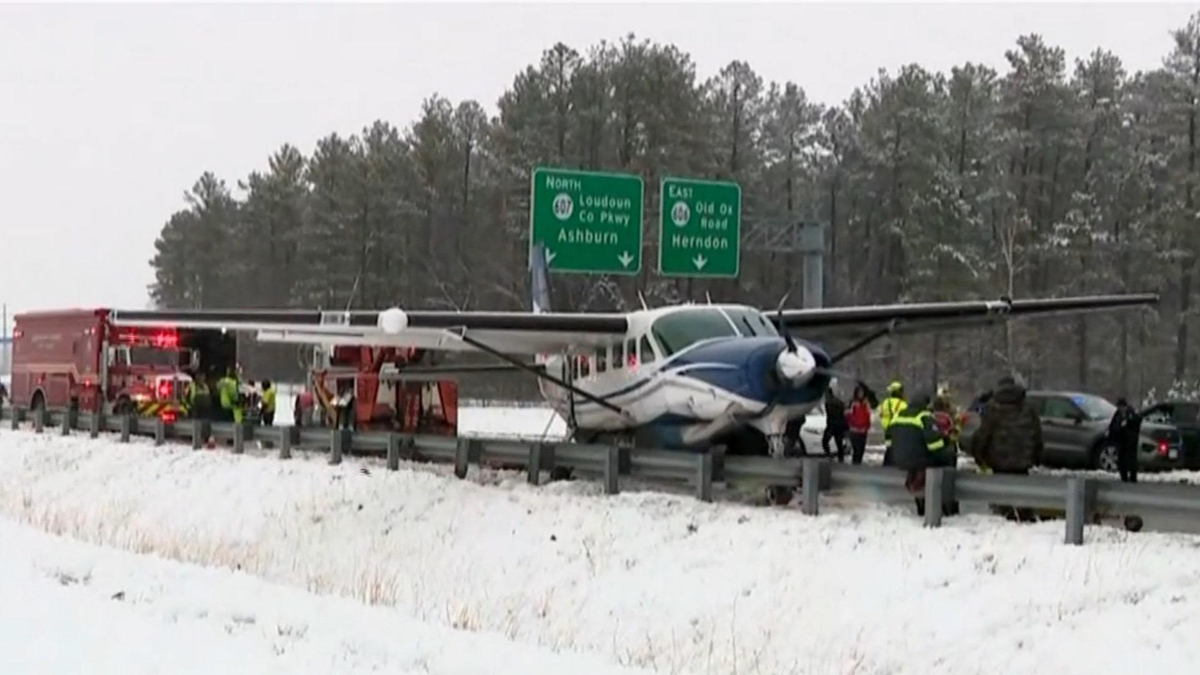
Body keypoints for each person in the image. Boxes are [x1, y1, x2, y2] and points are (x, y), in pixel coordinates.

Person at [969, 375, 1043, 521]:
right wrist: (1036, 457)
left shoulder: (992, 408)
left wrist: (979, 456)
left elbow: (984, 435)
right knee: (1021, 492)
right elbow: (1037, 434)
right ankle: (1024, 517)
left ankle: (1005, 516)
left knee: (1001, 493)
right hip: (1023, 459)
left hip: (998, 460)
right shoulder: (1028, 408)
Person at [886, 390, 951, 517]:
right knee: (944, 461)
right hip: (920, 461)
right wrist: (946, 444)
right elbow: (935, 445)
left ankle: (920, 499)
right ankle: (943, 504)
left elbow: (888, 439)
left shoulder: (898, 415)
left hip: (898, 459)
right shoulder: (924, 417)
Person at [1108, 397, 1143, 483]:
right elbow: (1113, 425)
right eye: (1119, 407)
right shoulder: (1117, 414)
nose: (1121, 409)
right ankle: (1124, 476)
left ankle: (1133, 477)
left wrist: (1128, 422)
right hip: (1121, 439)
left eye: (1122, 407)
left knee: (1131, 458)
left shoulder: (1131, 412)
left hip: (1131, 439)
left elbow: (1138, 420)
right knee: (1121, 458)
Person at [879, 381, 907, 466]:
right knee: (896, 446)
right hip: (898, 429)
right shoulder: (903, 404)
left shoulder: (885, 402)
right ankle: (894, 463)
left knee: (889, 446)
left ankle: (887, 463)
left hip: (887, 428)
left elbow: (881, 414)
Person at [846, 384, 873, 465]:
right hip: (854, 429)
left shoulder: (866, 403)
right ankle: (855, 464)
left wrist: (867, 425)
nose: (860, 394)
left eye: (862, 393)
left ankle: (858, 463)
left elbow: (868, 415)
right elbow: (848, 415)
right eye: (859, 392)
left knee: (861, 449)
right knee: (856, 449)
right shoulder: (853, 403)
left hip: (863, 430)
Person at [822, 389, 848, 462]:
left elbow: (832, 415)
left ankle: (829, 455)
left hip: (833, 425)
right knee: (838, 443)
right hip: (838, 425)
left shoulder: (829, 403)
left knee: (825, 441)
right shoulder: (837, 402)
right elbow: (843, 414)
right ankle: (840, 458)